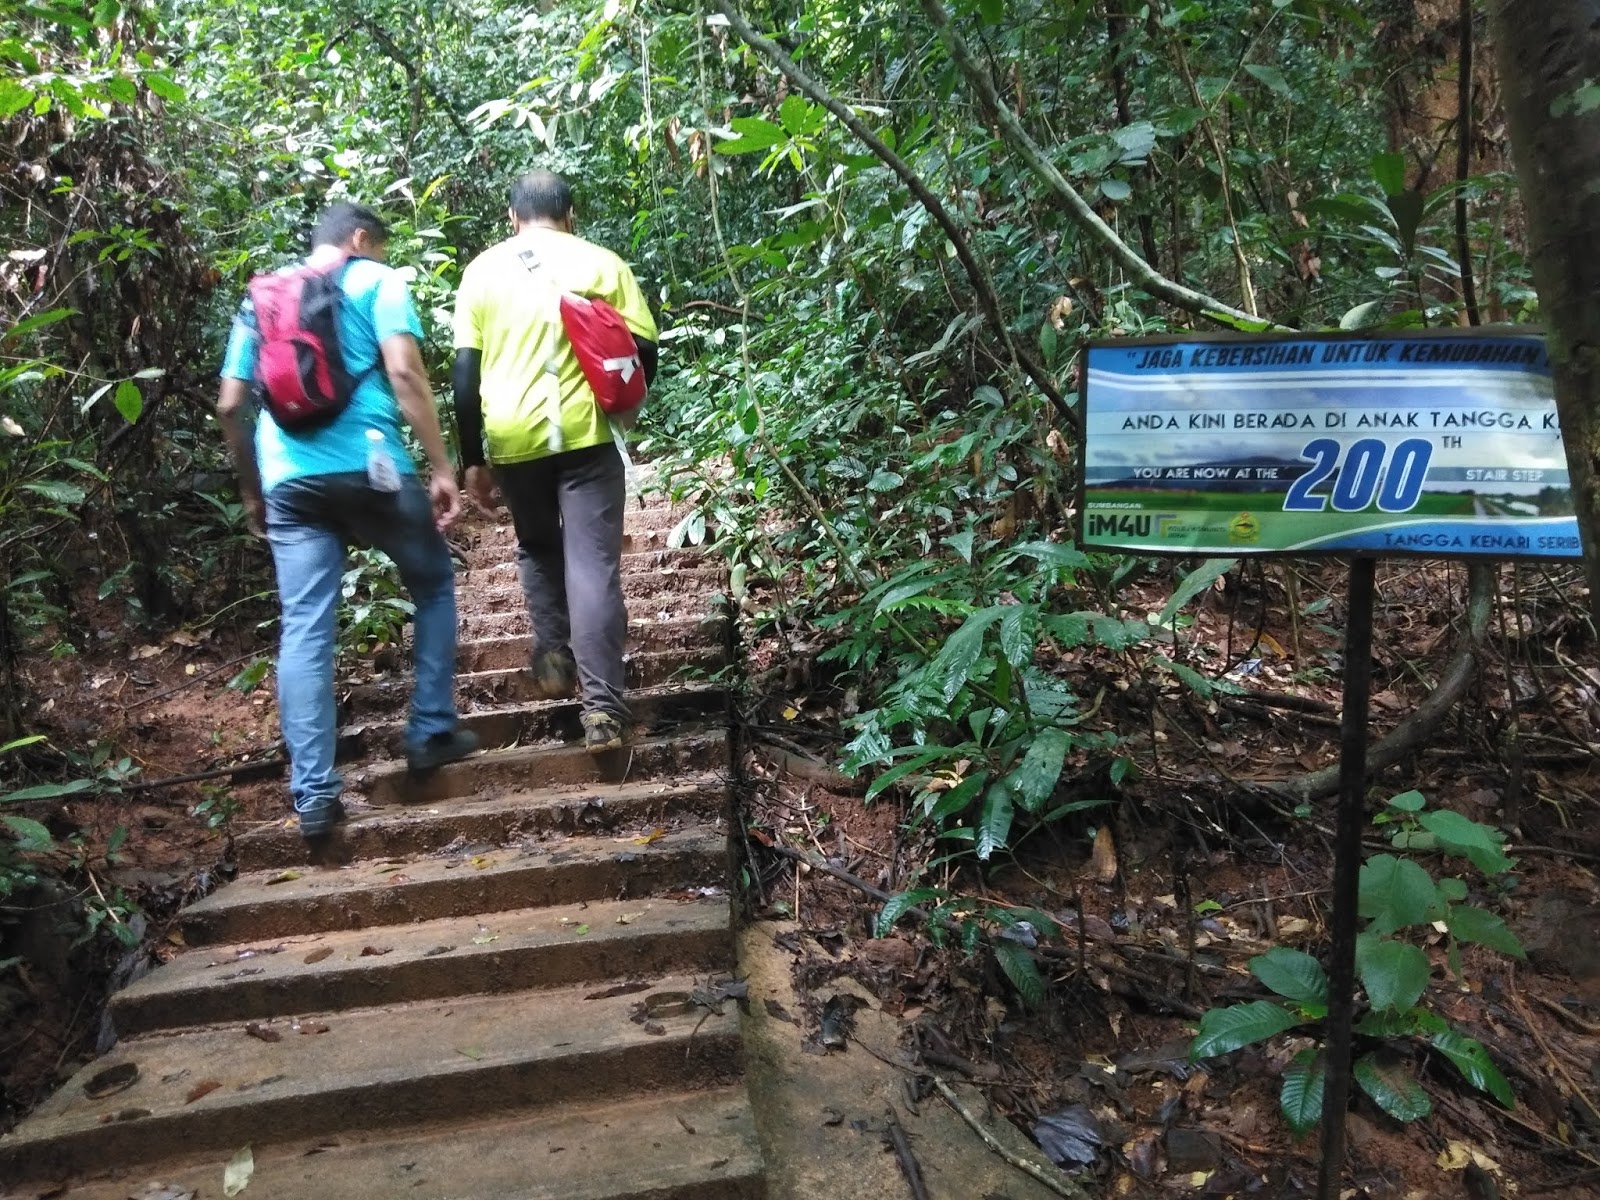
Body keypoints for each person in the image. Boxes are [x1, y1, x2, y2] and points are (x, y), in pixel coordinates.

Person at [216, 202, 479, 841]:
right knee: (434, 583)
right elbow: (404, 372)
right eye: (379, 247)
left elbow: (229, 404)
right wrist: (442, 467)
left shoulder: (263, 298)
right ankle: (429, 730)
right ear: (361, 240)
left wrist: (254, 491)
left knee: (305, 629)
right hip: (372, 467)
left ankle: (313, 797)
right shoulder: (378, 281)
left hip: (289, 483)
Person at [451, 171, 659, 753]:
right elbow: (643, 352)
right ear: (570, 214)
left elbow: (464, 377)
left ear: (512, 217)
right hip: (589, 434)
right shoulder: (602, 263)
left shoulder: (482, 272)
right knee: (592, 565)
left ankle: (552, 649)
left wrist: (473, 459)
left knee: (537, 545)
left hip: (515, 440)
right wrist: (624, 410)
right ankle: (602, 712)